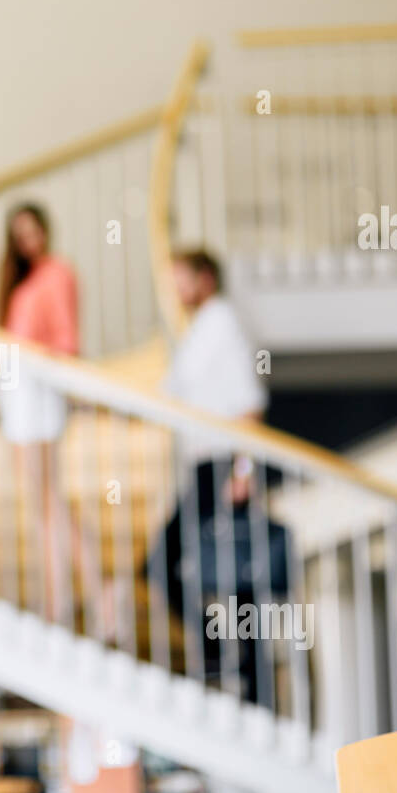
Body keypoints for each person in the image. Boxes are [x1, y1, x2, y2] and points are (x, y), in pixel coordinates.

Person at [145, 247, 288, 705]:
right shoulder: (199, 331)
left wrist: (245, 469)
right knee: (229, 576)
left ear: (205, 278)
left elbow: (249, 403)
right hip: (207, 464)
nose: (176, 291)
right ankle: (239, 668)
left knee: (177, 563)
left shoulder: (222, 322)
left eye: (182, 279)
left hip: (227, 464)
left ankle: (237, 666)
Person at [0, 203, 85, 625]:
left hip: (39, 390)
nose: (31, 242)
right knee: (40, 501)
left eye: (35, 232)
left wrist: (68, 385)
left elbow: (67, 336)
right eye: (21, 235)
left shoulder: (57, 271)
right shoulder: (18, 281)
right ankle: (60, 596)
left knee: (49, 498)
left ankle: (74, 596)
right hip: (18, 393)